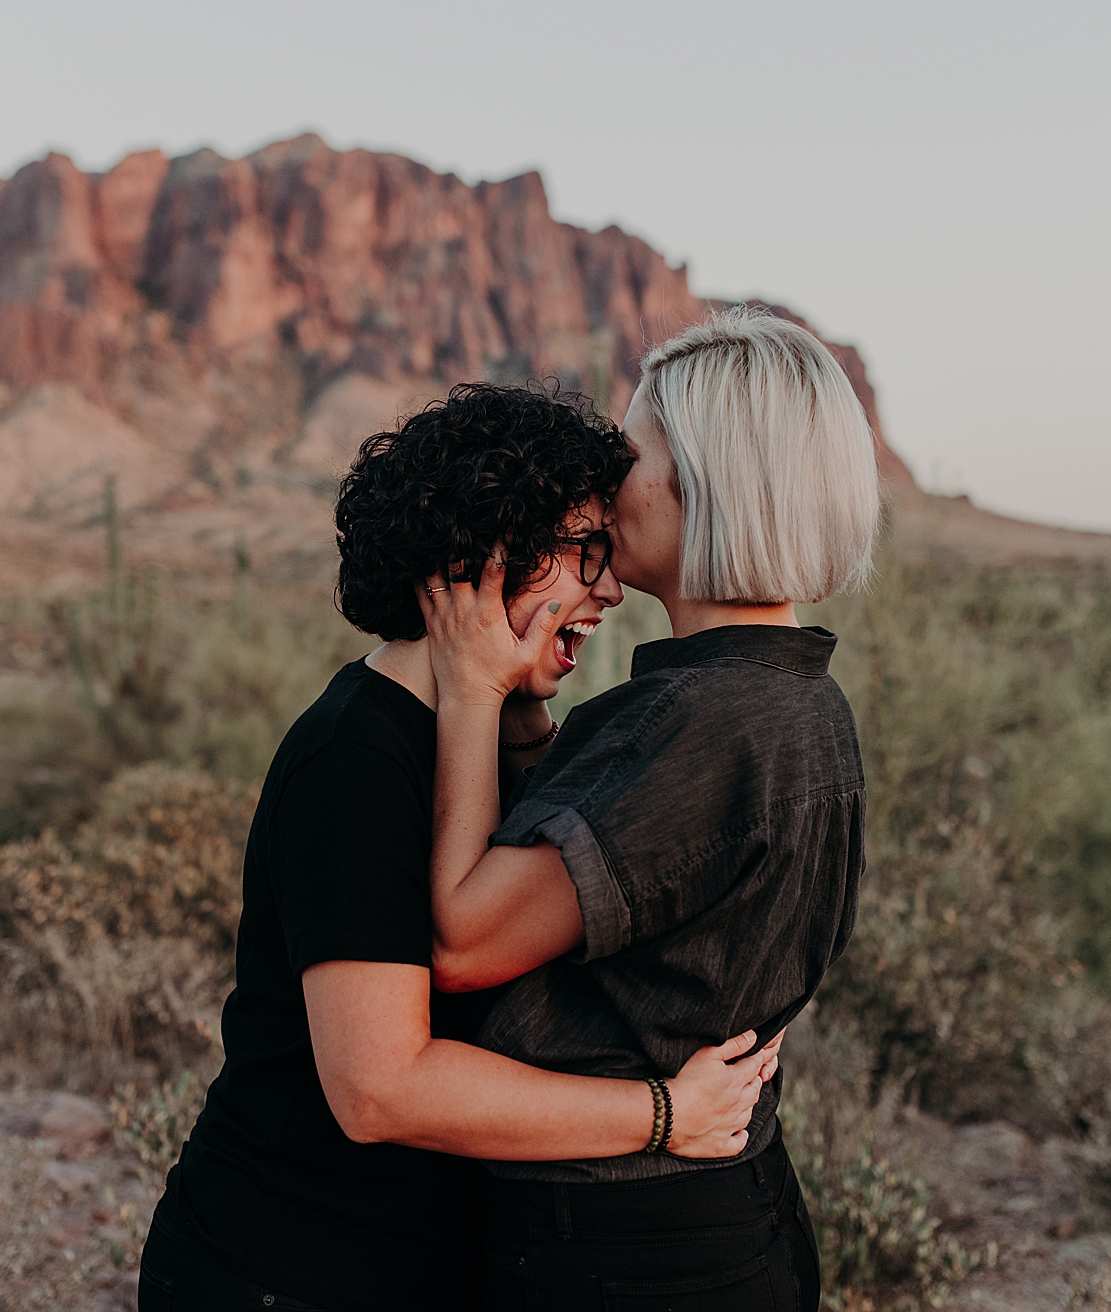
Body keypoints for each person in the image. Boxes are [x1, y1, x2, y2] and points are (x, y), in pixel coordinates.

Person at [139, 383, 781, 1312]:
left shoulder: (499, 739)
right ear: (481, 558)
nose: (607, 588)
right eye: (579, 552)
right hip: (287, 1267)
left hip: (426, 1264)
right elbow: (379, 1090)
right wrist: (665, 1117)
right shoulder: (355, 757)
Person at [419, 310, 884, 1310]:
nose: (605, 484)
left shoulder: (693, 720)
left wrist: (469, 690)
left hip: (619, 1241)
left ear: (702, 482)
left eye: (632, 454)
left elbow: (464, 938)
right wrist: (537, 711)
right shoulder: (803, 702)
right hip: (728, 1202)